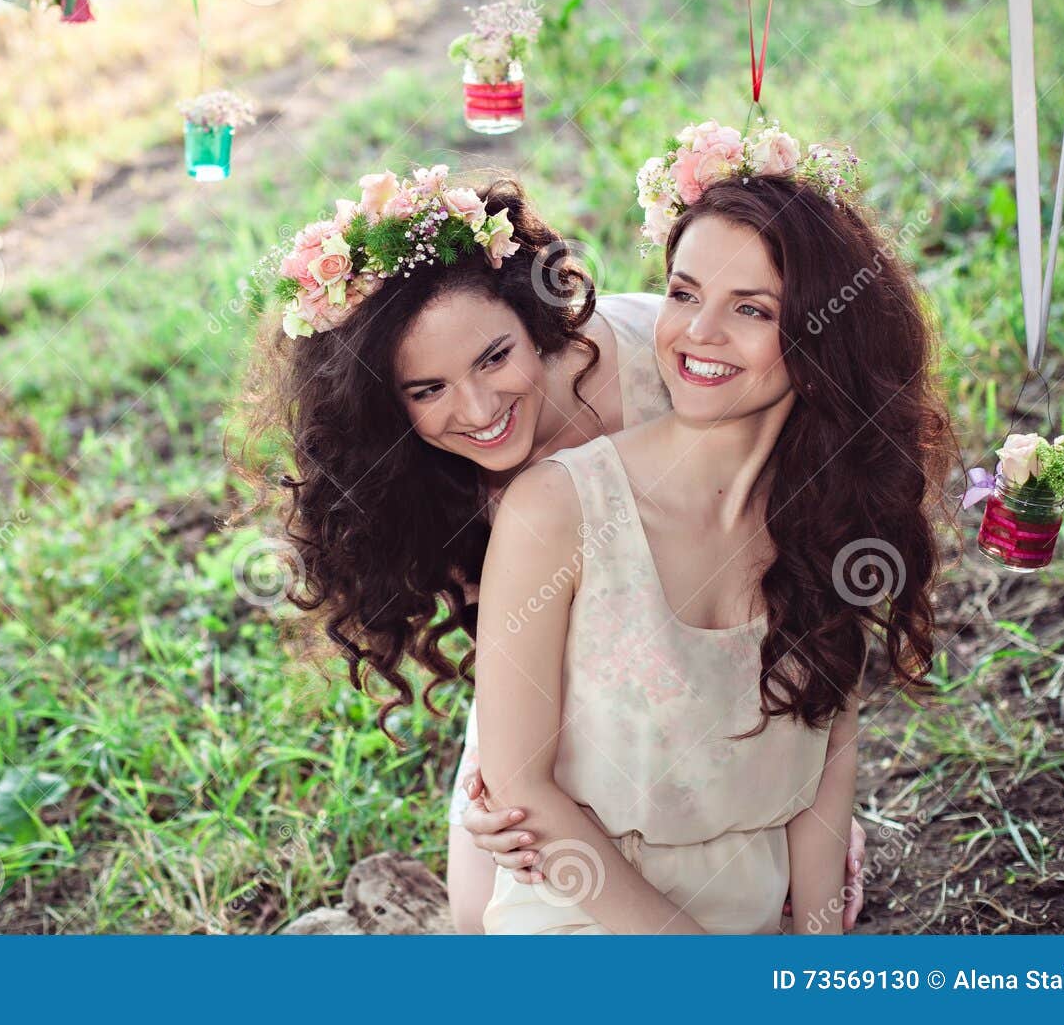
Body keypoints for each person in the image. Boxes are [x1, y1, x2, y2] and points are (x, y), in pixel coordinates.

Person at [236, 159, 871, 932]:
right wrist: (512, 783)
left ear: (536, 321)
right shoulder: (419, 474)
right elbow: (526, 674)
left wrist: (790, 790)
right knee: (482, 909)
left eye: (494, 357)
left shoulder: (668, 359)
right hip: (572, 674)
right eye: (427, 389)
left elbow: (799, 513)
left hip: (719, 662)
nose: (478, 409)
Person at [471, 122, 956, 932]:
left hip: (751, 916)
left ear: (823, 337)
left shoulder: (834, 511)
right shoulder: (557, 509)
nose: (699, 332)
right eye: (685, 293)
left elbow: (826, 763)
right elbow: (522, 789)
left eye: (751, 309)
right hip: (583, 918)